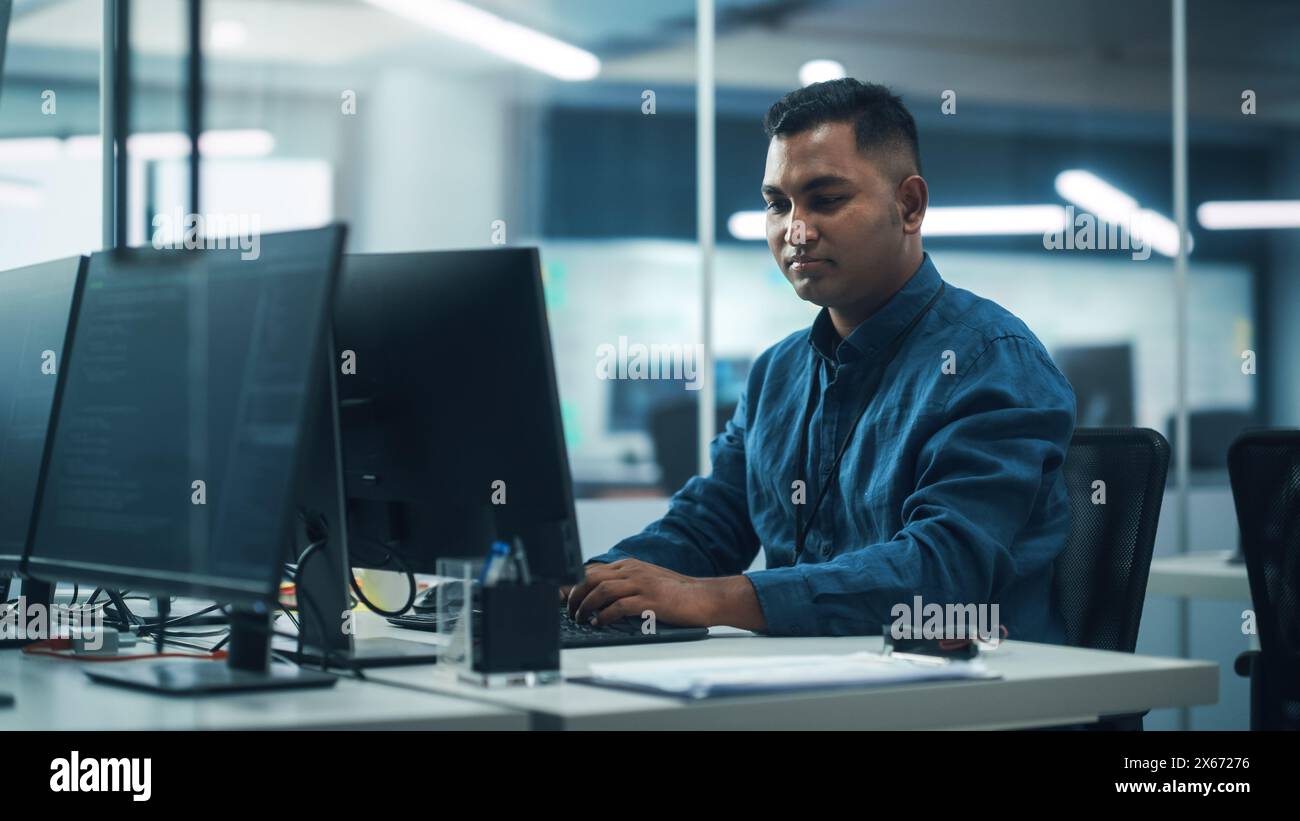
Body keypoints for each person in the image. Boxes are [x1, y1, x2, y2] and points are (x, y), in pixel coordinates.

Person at [564, 78, 1076, 642]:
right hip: (816, 686)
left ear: (909, 205)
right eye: (777, 204)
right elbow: (706, 528)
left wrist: (706, 597)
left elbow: (942, 571)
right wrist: (586, 585)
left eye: (826, 200)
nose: (796, 230)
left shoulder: (991, 361)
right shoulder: (777, 374)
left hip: (975, 703)